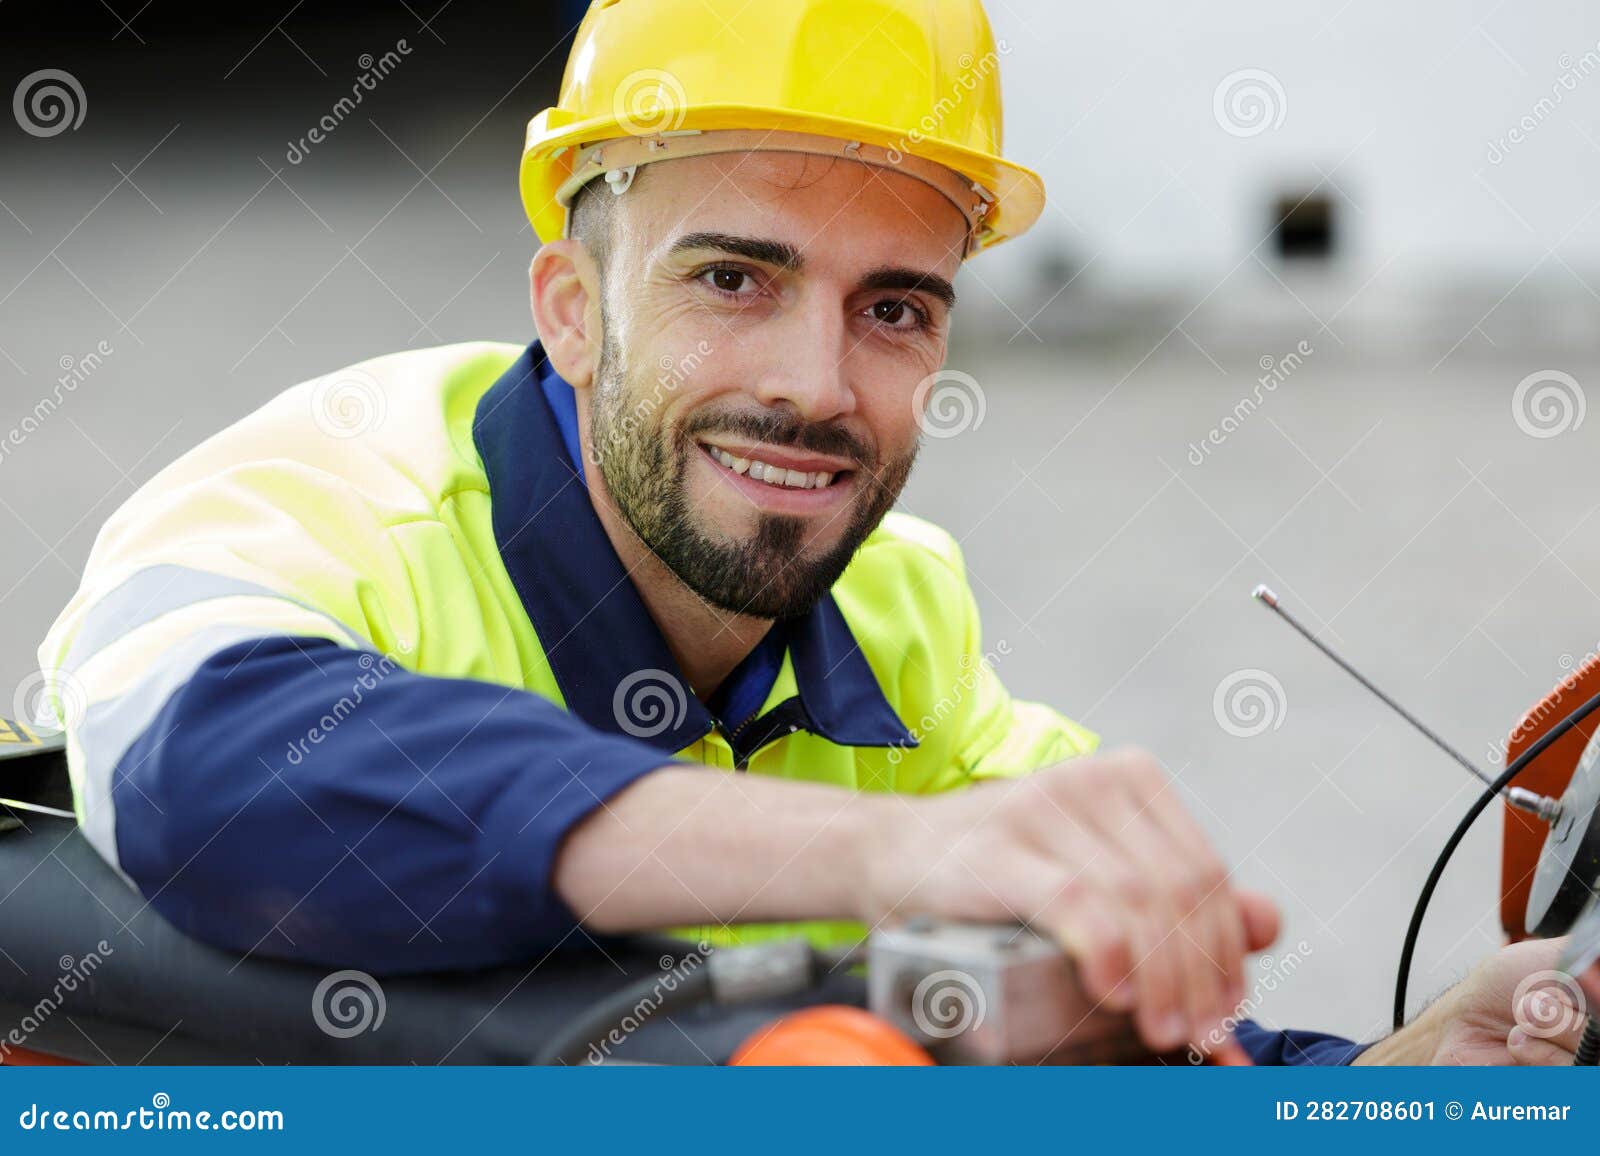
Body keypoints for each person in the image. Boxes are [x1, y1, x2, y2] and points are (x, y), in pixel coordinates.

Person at [33, 0, 1593, 1065]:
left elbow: (1142, 1072)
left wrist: (1403, 1073)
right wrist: (893, 852)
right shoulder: (329, 495)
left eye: (892, 308)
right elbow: (207, 767)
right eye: (733, 279)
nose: (812, 388)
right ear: (572, 312)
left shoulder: (902, 621)